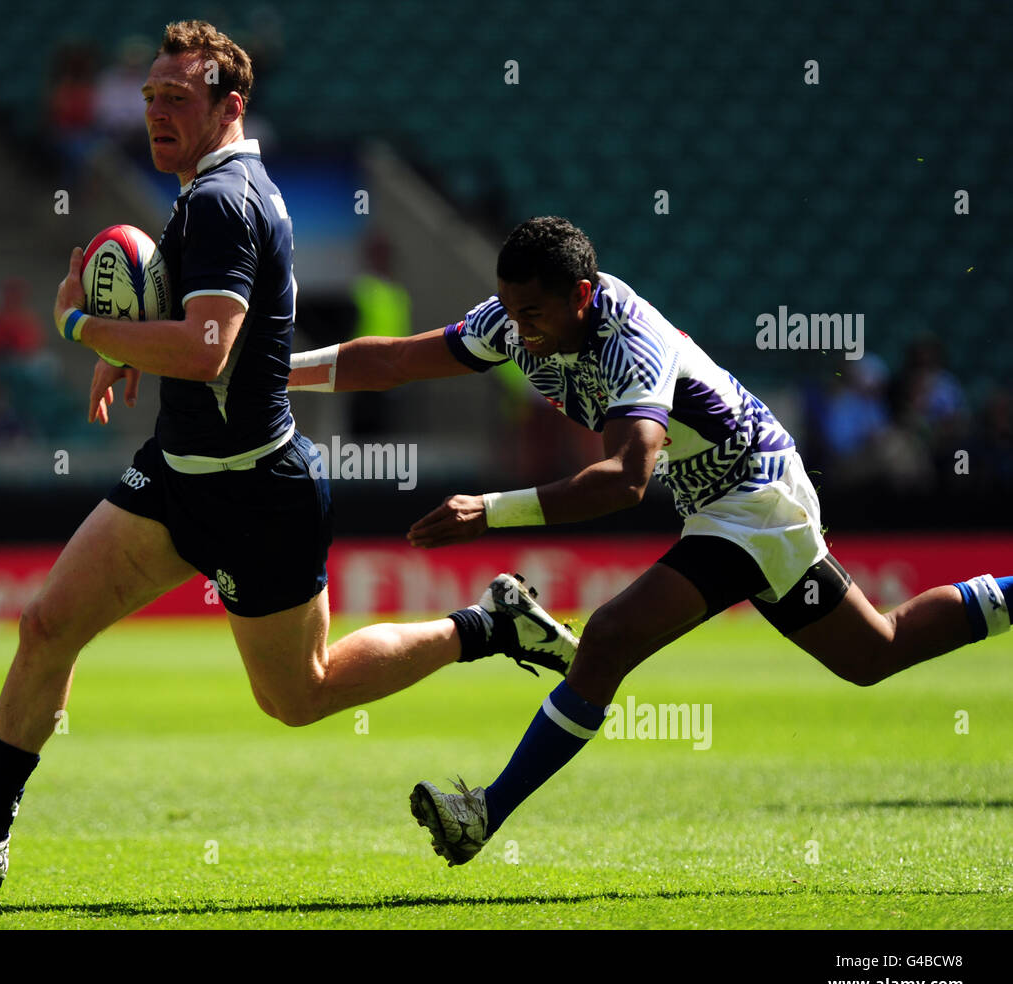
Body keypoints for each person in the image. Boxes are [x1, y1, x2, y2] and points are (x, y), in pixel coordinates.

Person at [0, 22, 576, 887]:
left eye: (178, 99)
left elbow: (208, 349)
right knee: (48, 625)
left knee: (299, 695)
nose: (157, 114)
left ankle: (489, 626)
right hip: (178, 475)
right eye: (149, 99)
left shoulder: (220, 200)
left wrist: (80, 326)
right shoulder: (208, 190)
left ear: (230, 105)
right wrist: (121, 347)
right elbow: (194, 331)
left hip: (257, 493)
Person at [289, 215, 1010, 866]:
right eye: (507, 308)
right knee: (874, 651)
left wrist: (493, 510)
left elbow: (627, 477)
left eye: (531, 312)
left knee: (609, 636)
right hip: (720, 500)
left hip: (754, 494)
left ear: (580, 294)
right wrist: (272, 374)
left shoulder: (633, 343)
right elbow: (392, 360)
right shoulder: (516, 317)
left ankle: (482, 812)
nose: (516, 329)